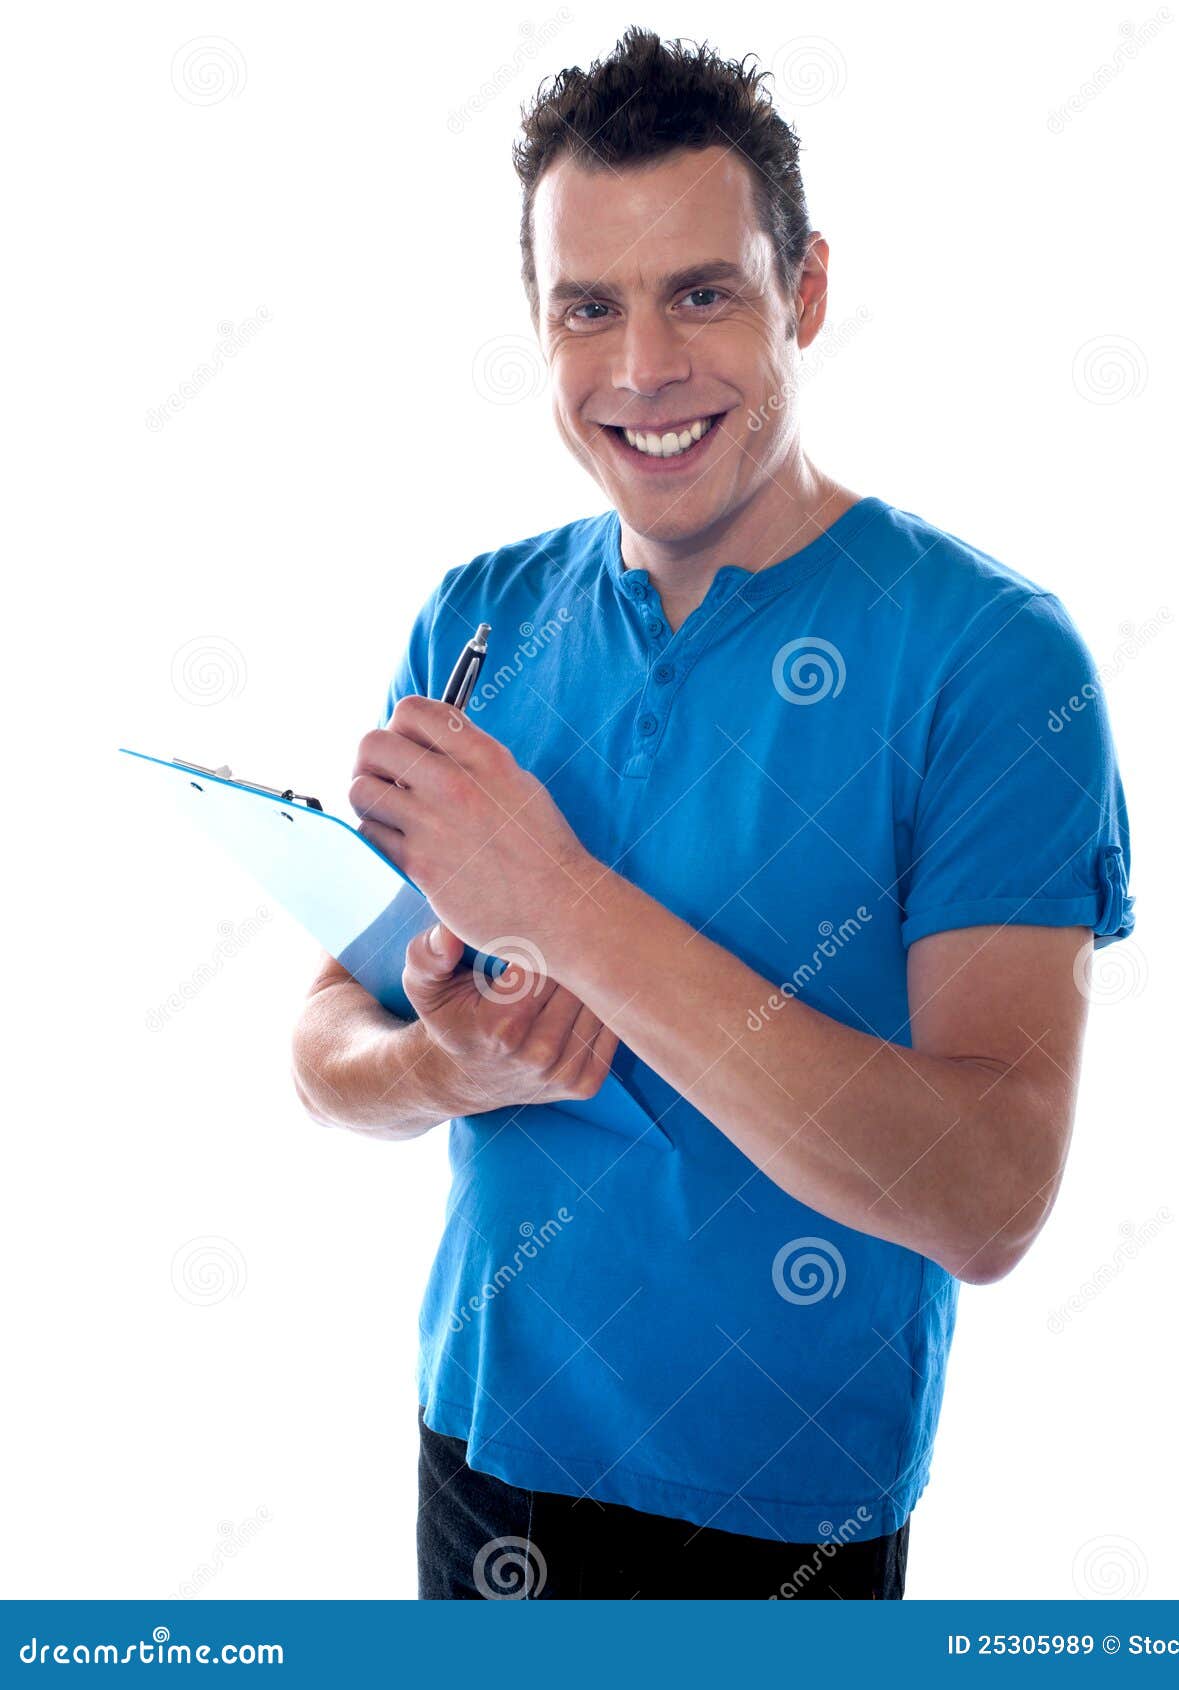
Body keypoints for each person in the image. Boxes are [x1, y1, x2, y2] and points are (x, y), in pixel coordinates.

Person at [291, 26, 1135, 1601]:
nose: (640, 373)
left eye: (703, 292)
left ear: (804, 293)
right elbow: (327, 1045)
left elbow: (993, 1193)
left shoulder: (989, 660)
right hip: (482, 1460)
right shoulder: (476, 622)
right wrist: (437, 1060)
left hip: (780, 1519)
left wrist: (560, 901)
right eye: (586, 310)